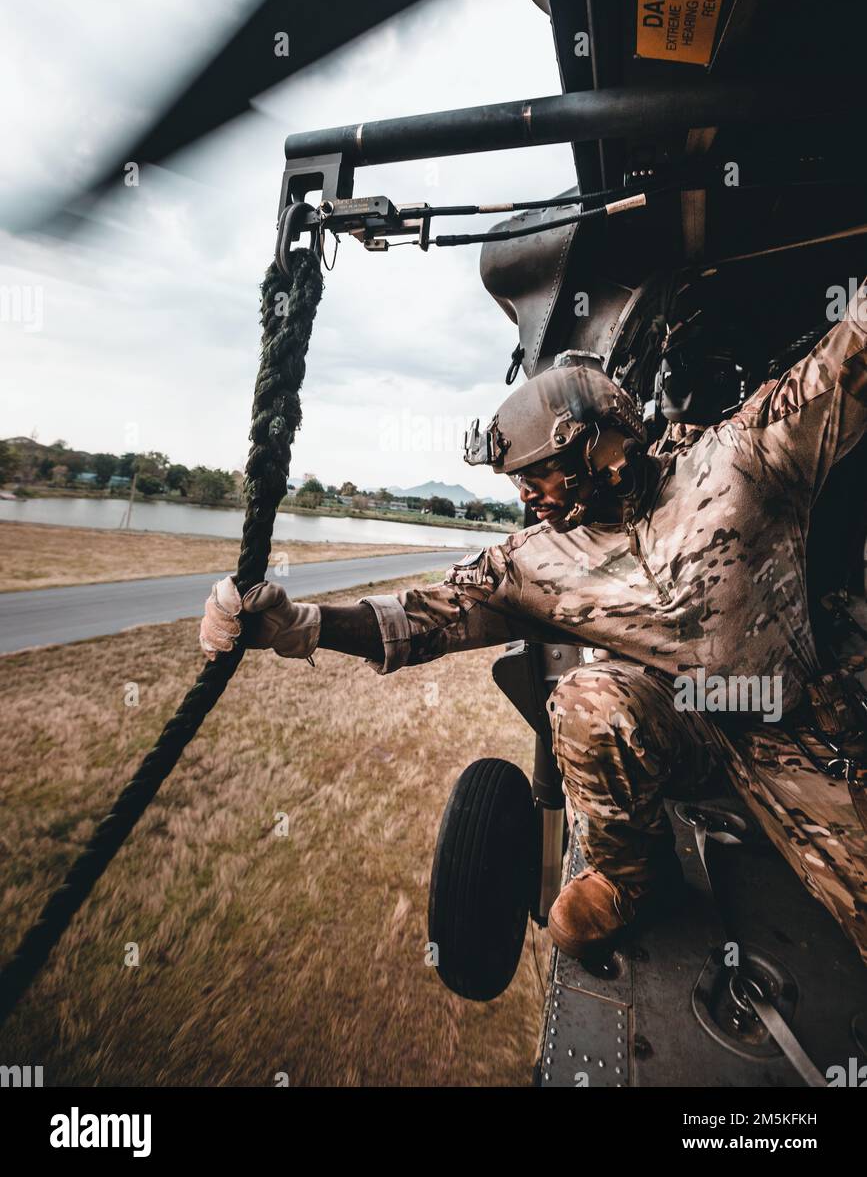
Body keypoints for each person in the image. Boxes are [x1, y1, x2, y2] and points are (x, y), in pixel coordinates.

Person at [200, 280, 867, 963]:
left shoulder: (740, 459)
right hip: (690, 726)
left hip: (799, 727)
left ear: (600, 448)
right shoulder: (537, 560)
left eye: (537, 474)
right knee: (586, 700)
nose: (525, 496)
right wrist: (300, 624)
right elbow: (423, 618)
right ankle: (627, 879)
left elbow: (847, 355)